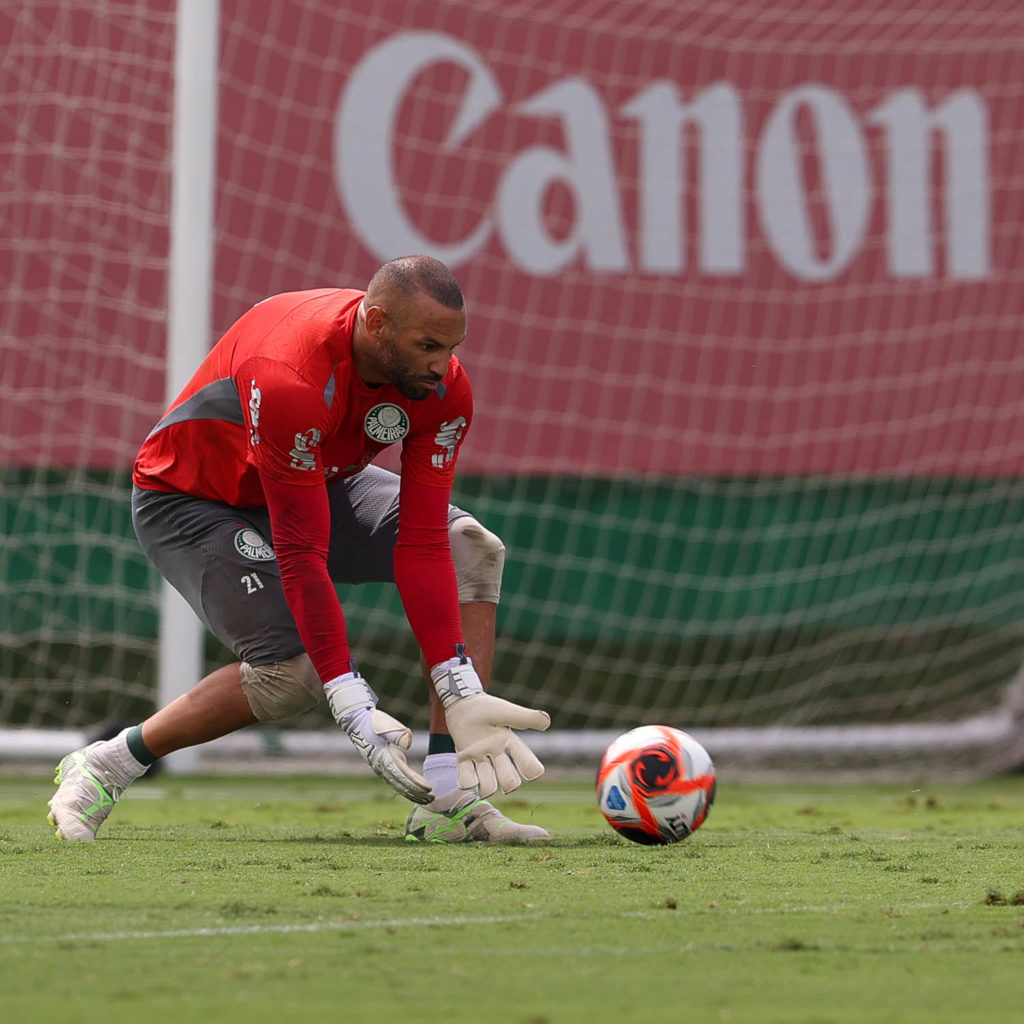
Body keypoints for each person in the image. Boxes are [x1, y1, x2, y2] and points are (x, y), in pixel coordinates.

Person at [47, 255, 551, 843]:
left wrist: (456, 681)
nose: (443, 366)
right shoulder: (293, 374)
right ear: (378, 324)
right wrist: (352, 702)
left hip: (316, 477)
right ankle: (106, 764)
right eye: (428, 346)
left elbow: (419, 543)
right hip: (193, 498)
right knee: (293, 677)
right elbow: (302, 551)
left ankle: (449, 797)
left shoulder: (443, 388)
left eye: (452, 346)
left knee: (468, 545)